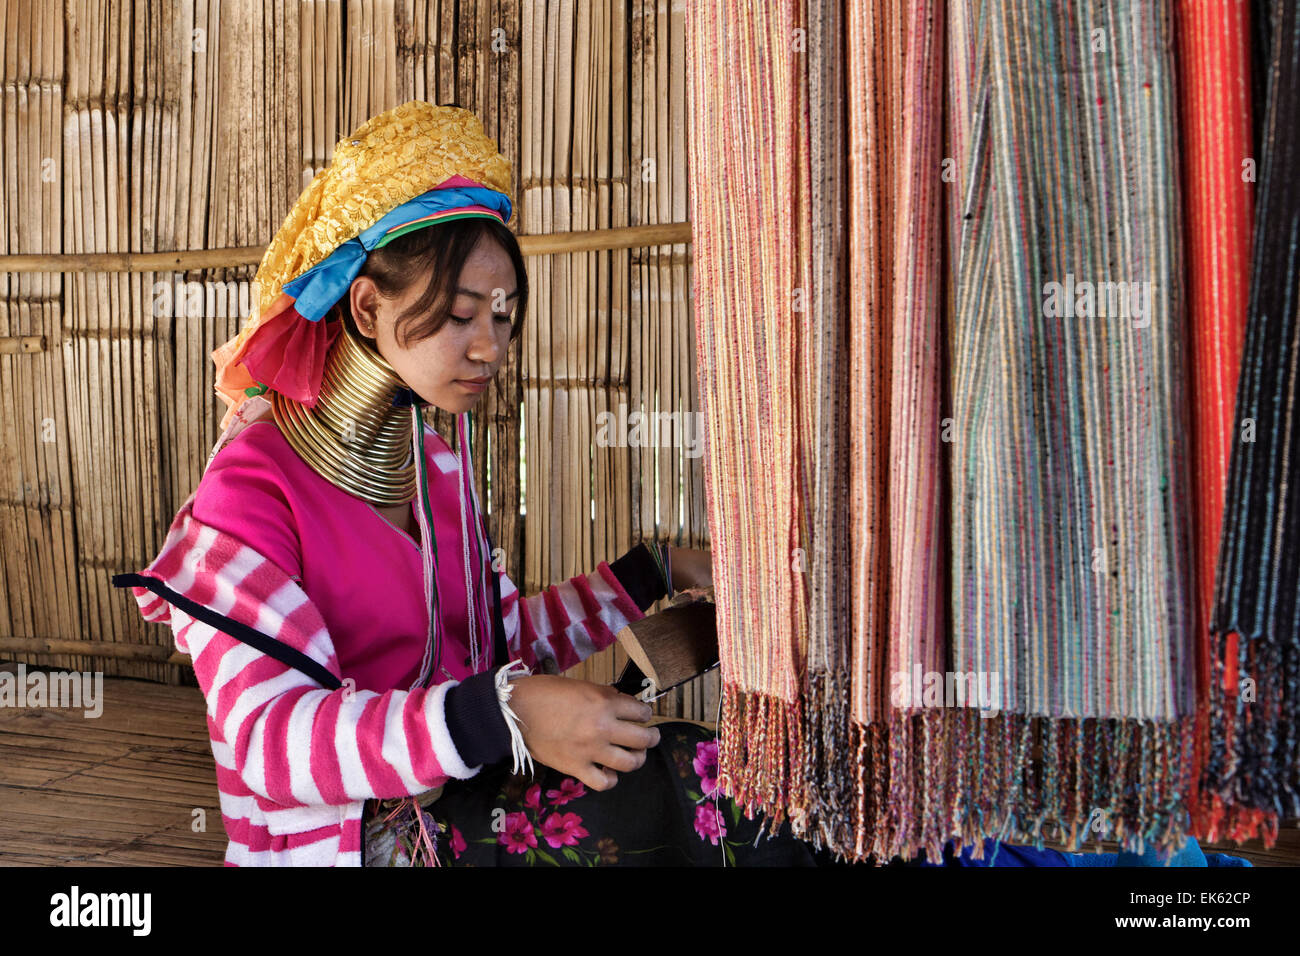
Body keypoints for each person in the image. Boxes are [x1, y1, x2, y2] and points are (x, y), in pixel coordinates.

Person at [114, 101, 812, 867]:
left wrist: (657, 573)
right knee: (682, 798)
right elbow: (271, 742)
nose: (489, 346)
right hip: (353, 842)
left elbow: (496, 642)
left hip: (469, 786)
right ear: (370, 306)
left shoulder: (433, 468)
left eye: (504, 316)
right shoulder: (248, 497)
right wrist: (499, 714)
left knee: (700, 769)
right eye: (458, 314)